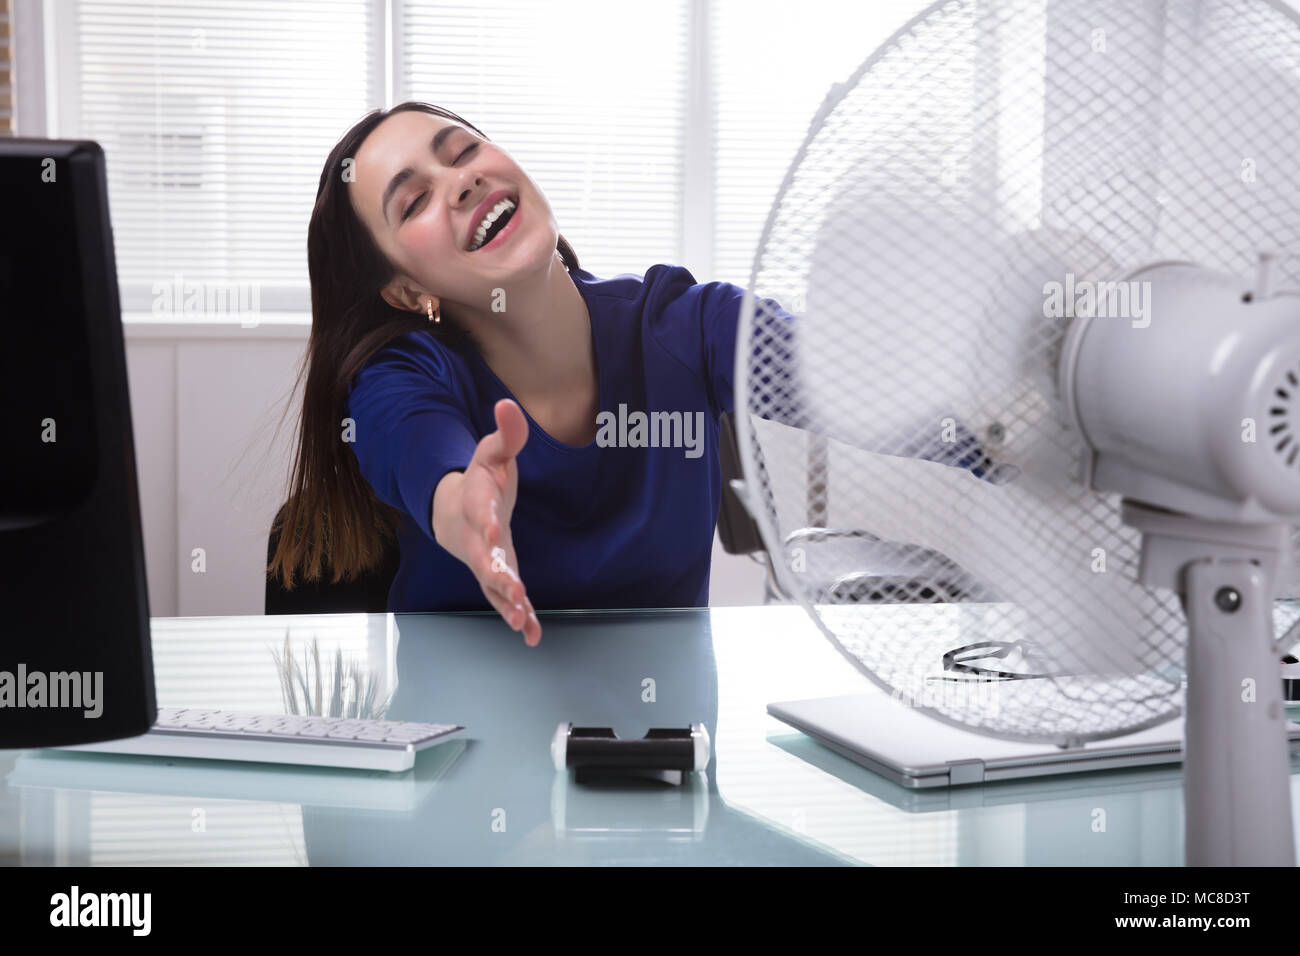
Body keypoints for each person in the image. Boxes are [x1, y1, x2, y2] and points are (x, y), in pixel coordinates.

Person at [268, 101, 789, 646]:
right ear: (406, 291)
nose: (463, 180)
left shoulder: (691, 326)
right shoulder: (400, 377)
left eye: (464, 151)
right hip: (461, 728)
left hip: (660, 727)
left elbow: (854, 383)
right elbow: (422, 452)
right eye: (415, 200)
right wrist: (469, 511)